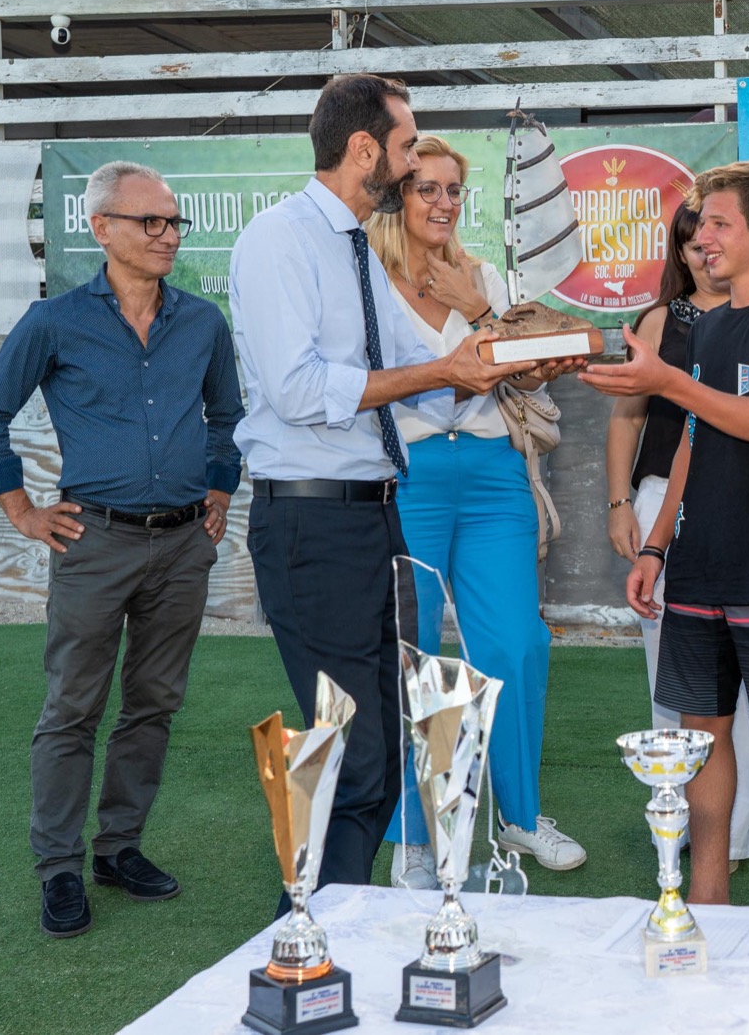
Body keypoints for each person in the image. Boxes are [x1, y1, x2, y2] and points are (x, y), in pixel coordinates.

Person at [229, 74, 531, 900]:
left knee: (382, 751)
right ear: (364, 150)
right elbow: (299, 391)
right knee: (357, 753)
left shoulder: (358, 245)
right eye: (405, 149)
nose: (411, 166)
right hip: (311, 524)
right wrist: (444, 367)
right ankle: (308, 930)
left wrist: (515, 357)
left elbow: (430, 376)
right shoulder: (278, 239)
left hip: (374, 522)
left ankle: (332, 923)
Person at [0, 161, 243, 938]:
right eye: (149, 221)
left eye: (173, 221)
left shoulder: (203, 322)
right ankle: (57, 867)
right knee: (72, 710)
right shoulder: (54, 322)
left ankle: (119, 848)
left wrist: (220, 486)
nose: (166, 235)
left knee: (153, 703)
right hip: (95, 544)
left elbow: (227, 413)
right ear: (102, 229)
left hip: (185, 544)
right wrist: (20, 508)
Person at [582, 161, 749, 905]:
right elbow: (692, 439)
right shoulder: (712, 325)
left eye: (720, 221)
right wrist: (657, 546)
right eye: (699, 224)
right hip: (697, 565)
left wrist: (666, 381)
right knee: (703, 733)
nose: (703, 236)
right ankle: (708, 898)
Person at [366, 133, 586, 885]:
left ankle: (520, 820)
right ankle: (416, 836)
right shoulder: (363, 274)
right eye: (427, 187)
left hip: (495, 473)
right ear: (396, 192)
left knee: (517, 643)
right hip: (412, 475)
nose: (443, 202)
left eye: (454, 189)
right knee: (413, 654)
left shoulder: (484, 271)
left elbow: (541, 354)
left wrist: (485, 305)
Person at [602, 203, 749, 873]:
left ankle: (729, 842)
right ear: (678, 249)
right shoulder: (658, 321)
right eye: (691, 239)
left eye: (717, 233)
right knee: (671, 682)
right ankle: (673, 828)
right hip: (658, 512)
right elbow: (625, 419)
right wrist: (620, 504)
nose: (704, 247)